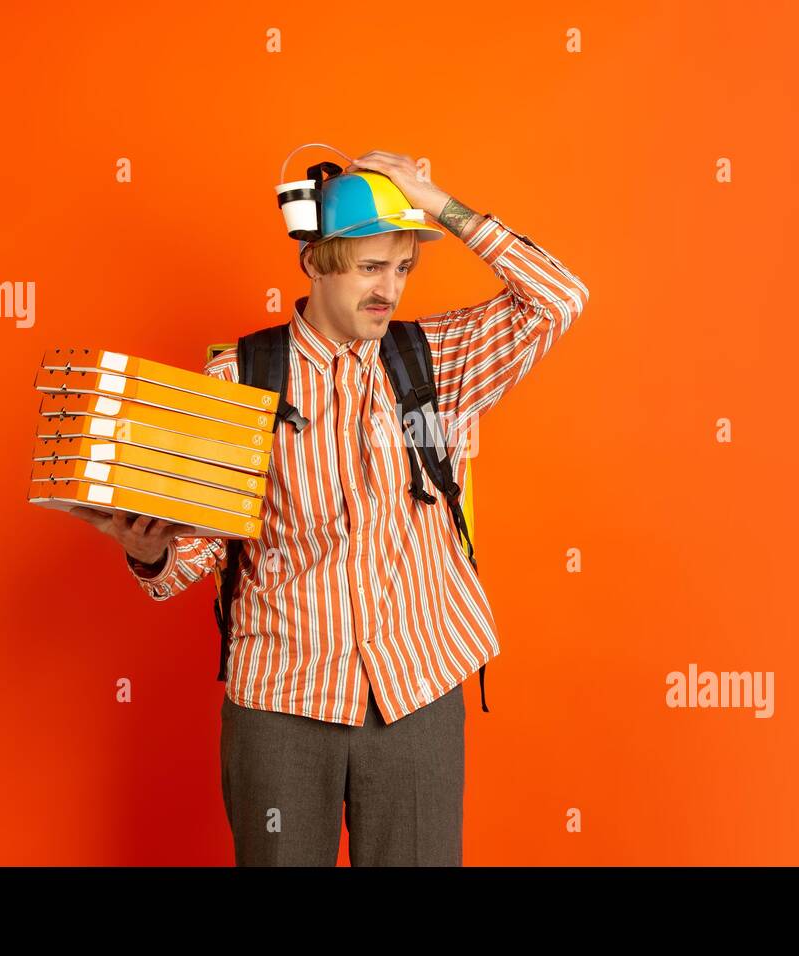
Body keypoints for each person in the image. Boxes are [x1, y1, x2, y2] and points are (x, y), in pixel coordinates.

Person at [68, 149, 589, 865]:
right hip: (283, 700)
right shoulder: (240, 378)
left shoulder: (437, 361)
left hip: (417, 687)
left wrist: (435, 202)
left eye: (402, 268)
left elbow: (560, 297)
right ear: (314, 262)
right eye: (369, 268)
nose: (389, 290)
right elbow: (193, 557)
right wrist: (149, 550)